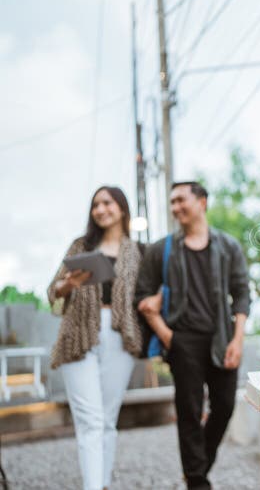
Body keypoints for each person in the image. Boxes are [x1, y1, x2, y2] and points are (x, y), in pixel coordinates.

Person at [134, 181, 250, 490]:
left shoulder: (228, 246)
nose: (175, 207)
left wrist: (237, 340)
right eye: (171, 202)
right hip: (182, 339)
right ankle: (198, 481)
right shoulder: (162, 249)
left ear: (202, 202)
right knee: (189, 411)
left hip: (222, 337)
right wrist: (167, 336)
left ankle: (197, 467)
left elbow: (241, 294)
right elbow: (142, 296)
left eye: (181, 200)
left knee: (224, 405)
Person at [47, 186, 143, 490]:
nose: (100, 209)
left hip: (121, 336)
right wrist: (68, 284)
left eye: (107, 203)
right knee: (89, 419)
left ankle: (100, 484)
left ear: (122, 208)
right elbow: (53, 292)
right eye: (95, 205)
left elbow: (145, 296)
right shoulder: (80, 246)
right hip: (78, 335)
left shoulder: (137, 251)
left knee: (107, 420)